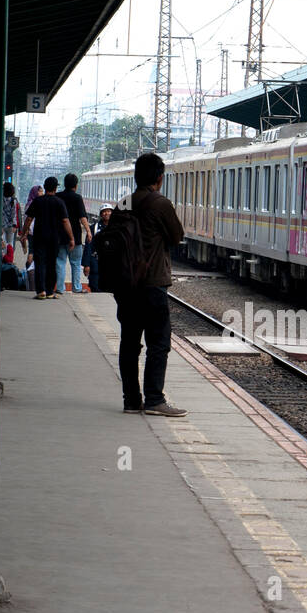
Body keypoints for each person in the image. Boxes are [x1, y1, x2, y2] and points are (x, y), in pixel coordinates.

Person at [115, 153, 186, 416]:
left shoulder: (123, 203)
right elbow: (177, 236)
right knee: (159, 342)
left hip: (126, 285)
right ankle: (155, 399)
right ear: (159, 177)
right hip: (153, 283)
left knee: (129, 342)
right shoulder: (161, 204)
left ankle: (131, 400)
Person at [20, 176, 72, 299]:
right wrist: (71, 238)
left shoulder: (38, 201)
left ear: (45, 186)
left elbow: (28, 219)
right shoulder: (59, 202)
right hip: (54, 238)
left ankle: (41, 291)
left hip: (39, 237)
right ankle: (49, 292)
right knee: (51, 263)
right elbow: (65, 221)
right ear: (55, 188)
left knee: (40, 263)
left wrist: (24, 233)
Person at [57, 174, 91, 294]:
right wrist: (88, 231)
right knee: (76, 263)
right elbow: (82, 217)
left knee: (60, 262)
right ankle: (76, 288)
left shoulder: (58, 196)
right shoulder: (77, 198)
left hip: (60, 236)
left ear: (64, 184)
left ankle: (60, 289)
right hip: (75, 236)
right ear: (76, 186)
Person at [1, 182, 21, 249]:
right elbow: (14, 214)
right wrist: (14, 225)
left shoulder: (0, 199)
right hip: (10, 225)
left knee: (2, 243)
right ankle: (9, 257)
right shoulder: (13, 201)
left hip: (1, 225)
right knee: (10, 244)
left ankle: (3, 258)